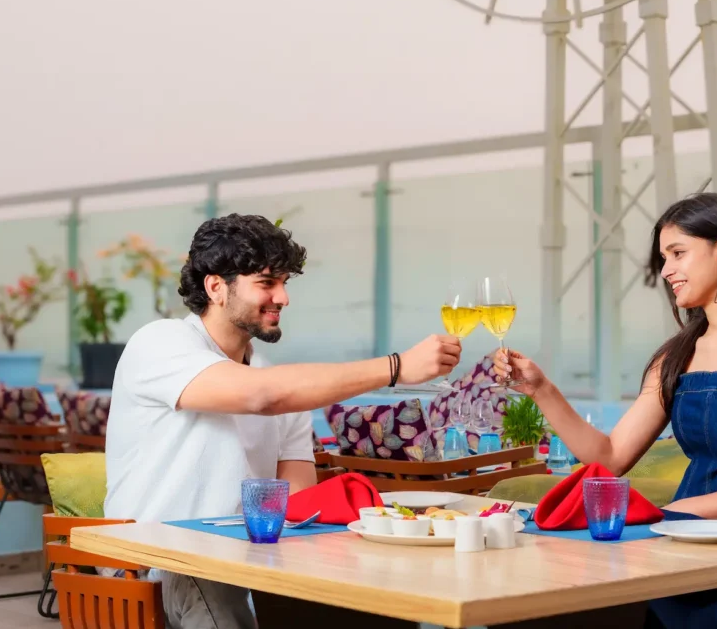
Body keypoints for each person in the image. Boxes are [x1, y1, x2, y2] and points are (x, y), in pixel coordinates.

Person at [493, 193, 717, 629]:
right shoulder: (676, 355)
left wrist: (674, 516)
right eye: (664, 258)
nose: (666, 271)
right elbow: (609, 457)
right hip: (683, 543)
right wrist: (542, 390)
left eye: (678, 253)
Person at [103, 213, 461, 629]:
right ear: (216, 287)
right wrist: (396, 367)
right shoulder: (161, 343)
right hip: (152, 565)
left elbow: (296, 507)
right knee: (209, 575)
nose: (283, 297)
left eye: (285, 283)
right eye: (267, 282)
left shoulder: (278, 384)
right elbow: (261, 396)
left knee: (375, 598)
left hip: (242, 564)